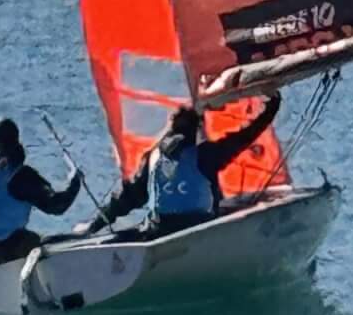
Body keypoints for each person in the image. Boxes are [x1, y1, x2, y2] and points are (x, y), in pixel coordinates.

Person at [96, 95, 284, 240]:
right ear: (197, 129)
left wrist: (98, 223)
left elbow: (129, 197)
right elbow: (245, 136)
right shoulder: (206, 154)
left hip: (158, 229)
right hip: (197, 229)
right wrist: (271, 107)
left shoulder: (153, 156)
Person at [0, 117, 84, 268]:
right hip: (15, 247)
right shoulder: (20, 176)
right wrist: (75, 183)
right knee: (46, 243)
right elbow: (57, 206)